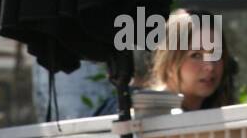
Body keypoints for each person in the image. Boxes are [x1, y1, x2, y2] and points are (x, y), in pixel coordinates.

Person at [94, 9, 238, 116]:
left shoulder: (225, 115)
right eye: (196, 55)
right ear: (169, 59)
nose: (210, 66)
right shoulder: (131, 111)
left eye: (215, 53)